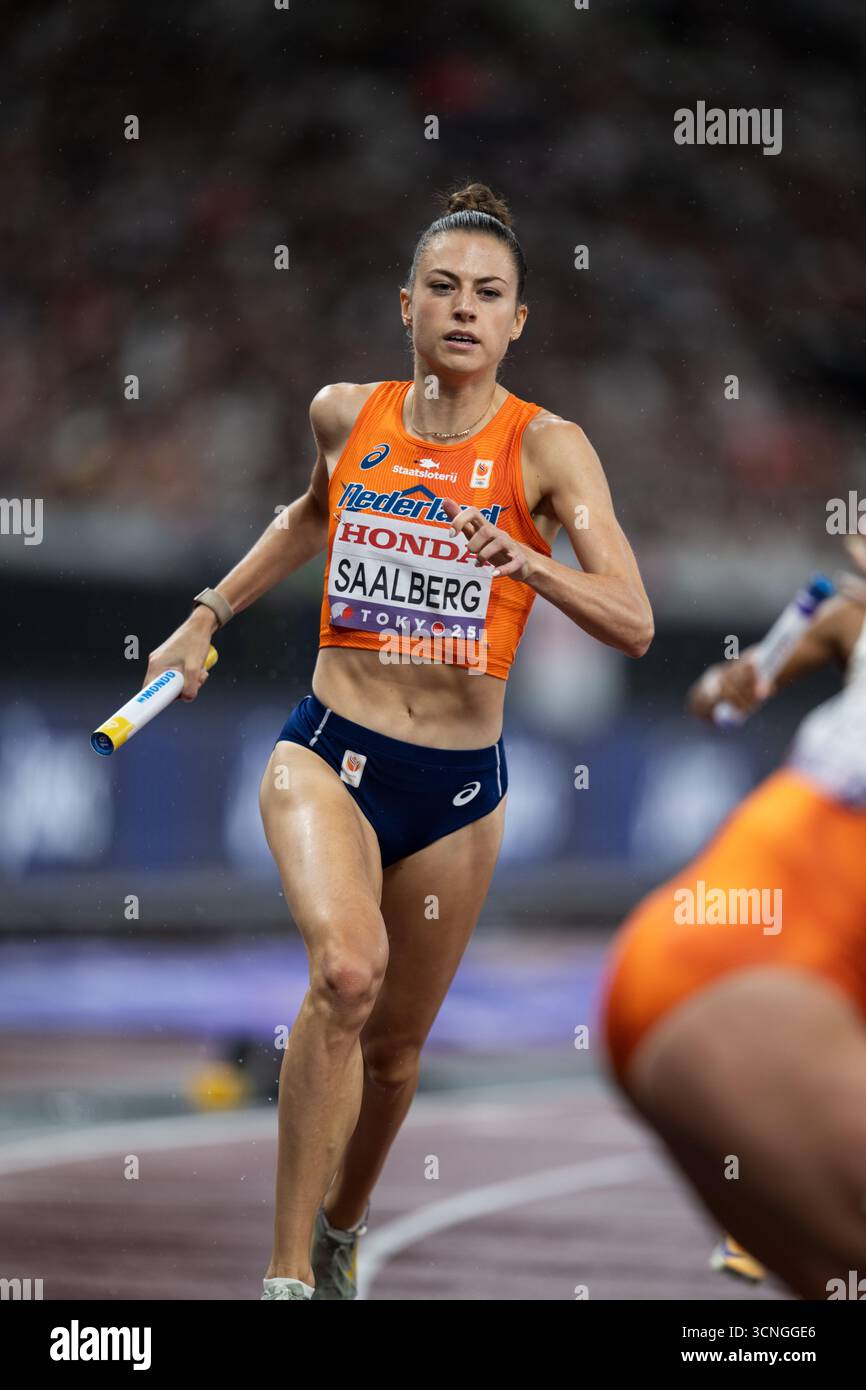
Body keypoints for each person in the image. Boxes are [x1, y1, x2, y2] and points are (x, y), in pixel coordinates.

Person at [141, 181, 654, 1300]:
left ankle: (341, 1228)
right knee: (344, 968)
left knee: (395, 1054)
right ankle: (283, 1279)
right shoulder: (346, 411)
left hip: (457, 790)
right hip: (326, 748)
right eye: (442, 288)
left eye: (489, 294)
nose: (463, 309)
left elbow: (634, 618)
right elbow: (308, 512)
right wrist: (205, 615)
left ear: (517, 322)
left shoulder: (547, 449)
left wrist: (528, 562)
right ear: (404, 307)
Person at [599, 544, 866, 1300]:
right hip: (750, 960)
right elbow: (713, 698)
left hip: (739, 961)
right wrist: (730, 686)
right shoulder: (853, 611)